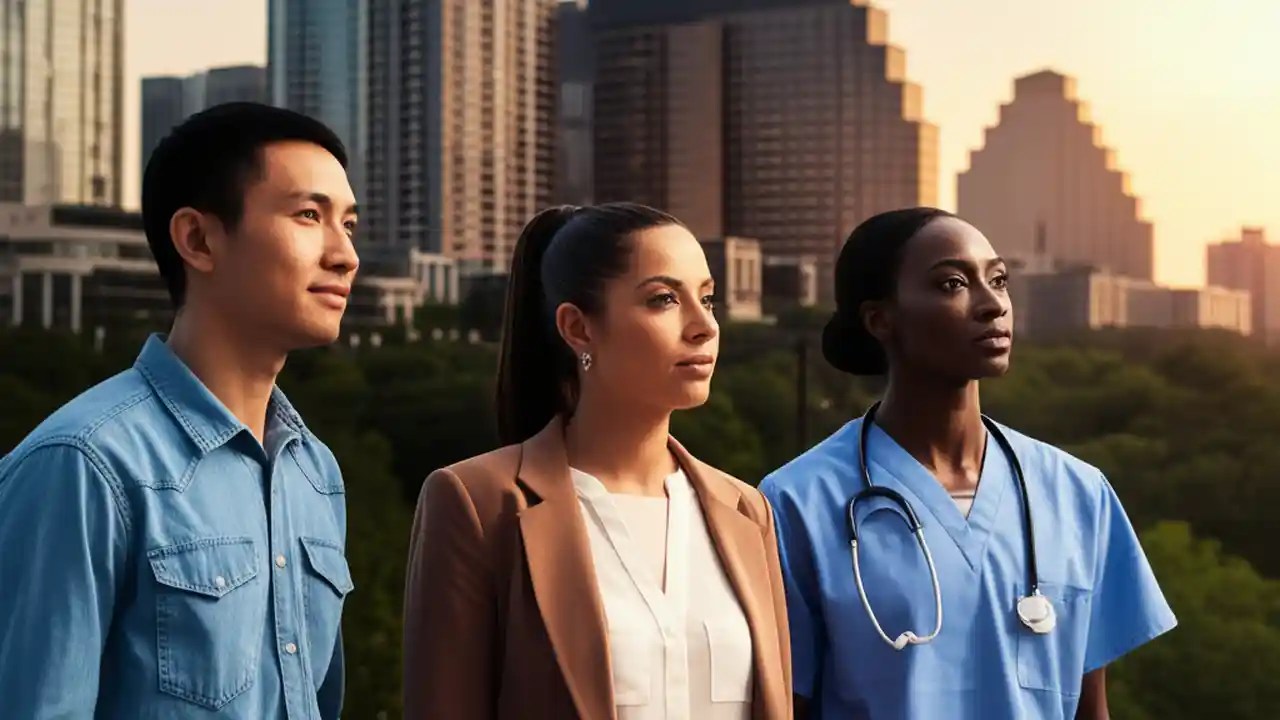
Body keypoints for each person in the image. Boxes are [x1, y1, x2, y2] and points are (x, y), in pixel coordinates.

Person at [0, 102, 360, 718]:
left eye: (349, 224)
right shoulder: (83, 466)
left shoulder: (314, 473)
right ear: (197, 239)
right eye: (308, 215)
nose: (345, 255)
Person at [759, 208, 1176, 720]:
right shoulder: (796, 504)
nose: (992, 304)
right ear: (879, 319)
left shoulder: (1077, 493)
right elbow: (786, 705)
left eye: (998, 280)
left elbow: (1092, 708)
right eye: (953, 283)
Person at [402, 202, 793, 720]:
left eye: (707, 299)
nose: (703, 326)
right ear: (578, 328)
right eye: (663, 299)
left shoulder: (746, 511)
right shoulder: (477, 503)